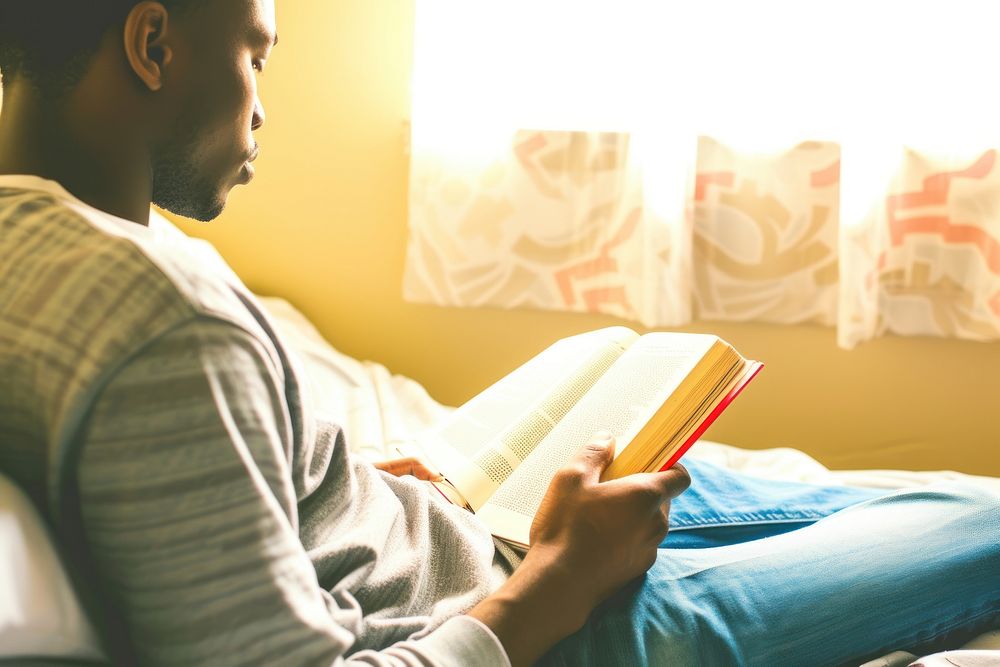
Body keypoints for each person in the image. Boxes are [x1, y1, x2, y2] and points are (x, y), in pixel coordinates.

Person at [0, 1, 996, 665]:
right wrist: (560, 583)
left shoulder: (63, 232)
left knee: (947, 499)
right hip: (550, 621)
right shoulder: (163, 323)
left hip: (463, 529)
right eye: (254, 56)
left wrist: (366, 479)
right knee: (983, 533)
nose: (261, 107)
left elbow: (225, 472)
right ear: (154, 47)